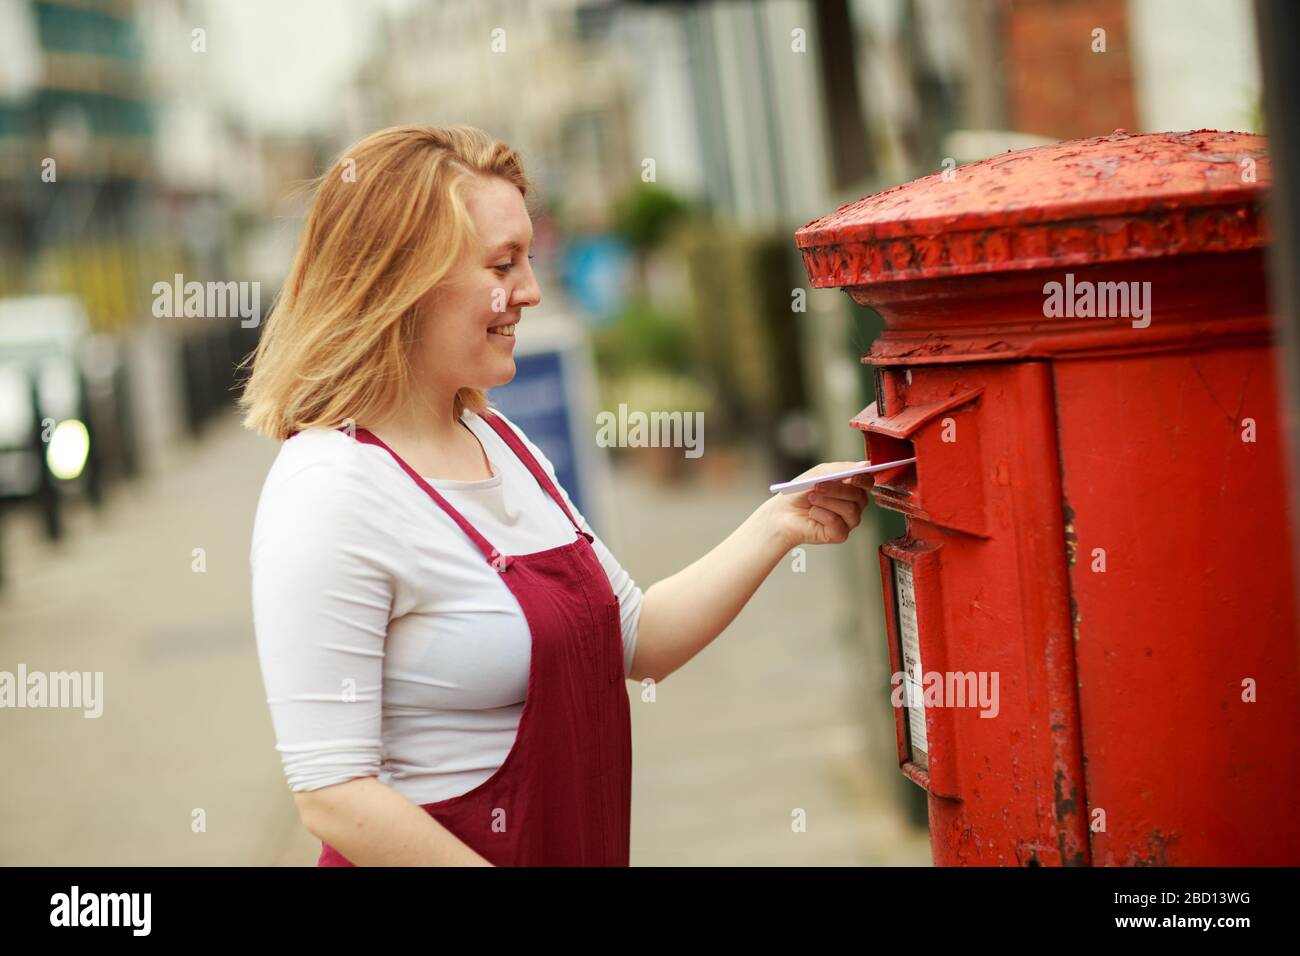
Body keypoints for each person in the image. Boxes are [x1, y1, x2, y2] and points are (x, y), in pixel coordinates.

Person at [239, 125, 873, 867]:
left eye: (529, 259)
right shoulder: (329, 490)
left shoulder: (499, 441)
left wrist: (779, 524)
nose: (532, 291)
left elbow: (635, 638)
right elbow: (334, 793)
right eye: (503, 264)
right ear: (400, 278)